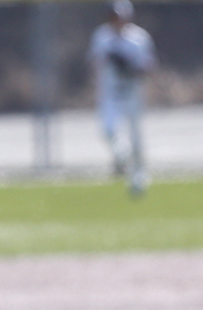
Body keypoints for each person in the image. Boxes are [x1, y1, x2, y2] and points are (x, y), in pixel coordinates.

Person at [88, 0, 157, 196]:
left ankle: (138, 178)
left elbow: (148, 67)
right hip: (111, 93)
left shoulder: (139, 38)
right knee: (107, 130)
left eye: (118, 17)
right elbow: (95, 63)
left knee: (136, 137)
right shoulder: (102, 36)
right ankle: (121, 156)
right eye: (112, 17)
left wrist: (129, 67)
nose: (115, 21)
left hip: (132, 92)